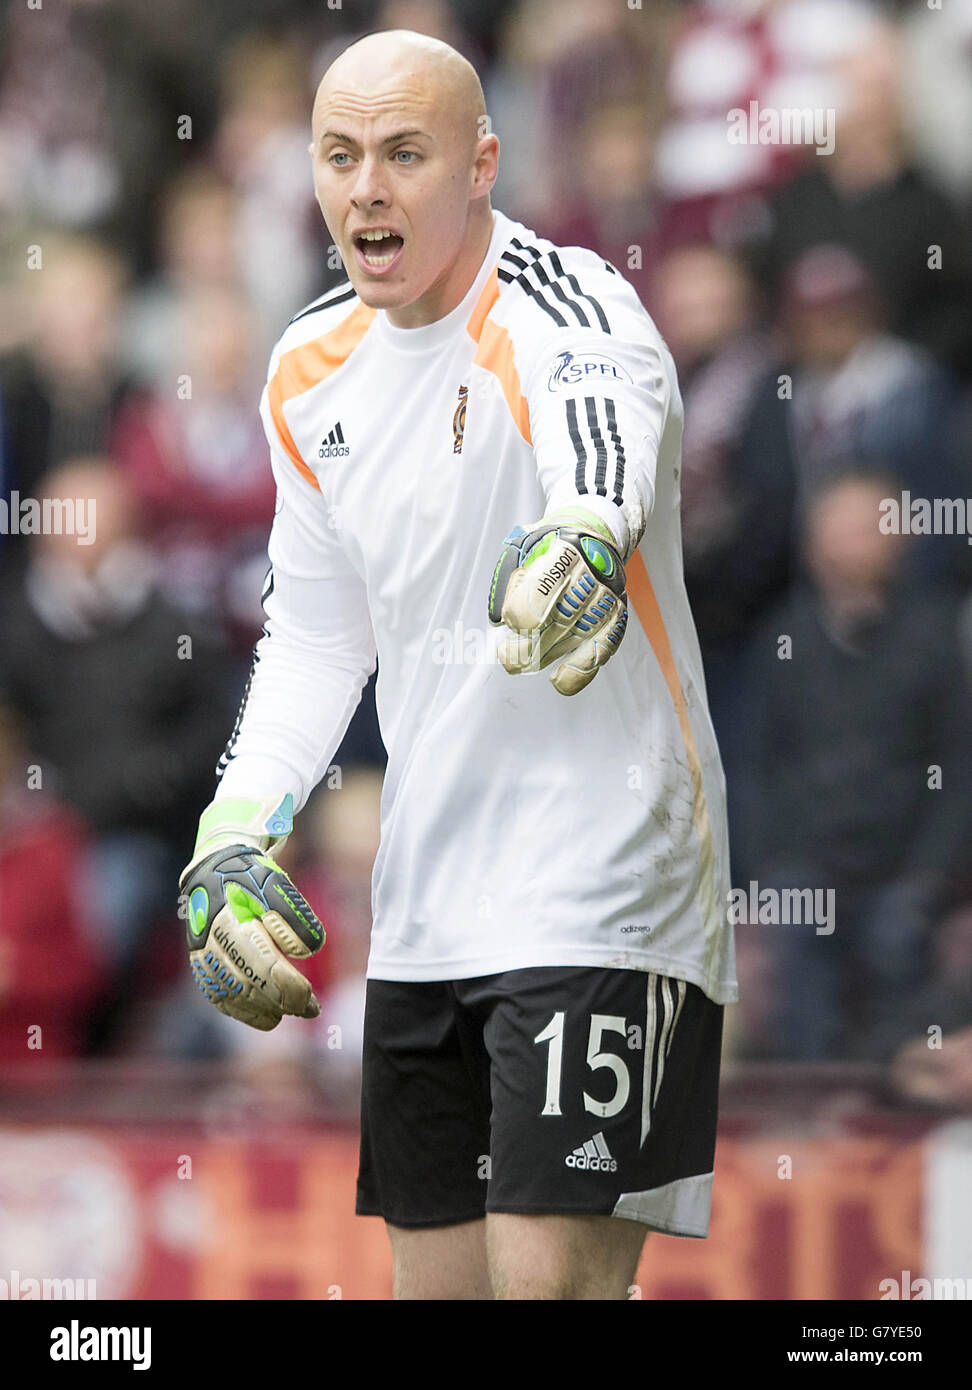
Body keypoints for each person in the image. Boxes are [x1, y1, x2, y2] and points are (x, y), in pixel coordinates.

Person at [178, 29, 736, 1301]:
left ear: (482, 163)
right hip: (426, 904)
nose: (366, 187)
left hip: (608, 876)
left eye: (403, 154)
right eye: (339, 156)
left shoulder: (572, 301)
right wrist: (234, 829)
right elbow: (319, 635)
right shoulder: (306, 371)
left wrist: (589, 533)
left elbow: (606, 439)